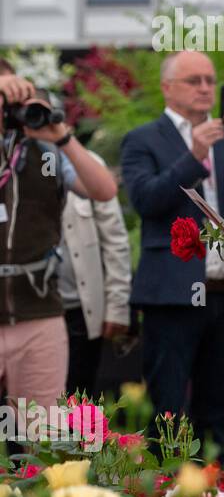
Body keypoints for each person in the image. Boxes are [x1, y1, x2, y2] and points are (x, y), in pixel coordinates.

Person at [121, 50, 224, 453]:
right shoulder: (143, 138)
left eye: (210, 80)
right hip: (172, 295)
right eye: (194, 81)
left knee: (219, 407)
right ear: (167, 87)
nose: (205, 88)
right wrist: (192, 157)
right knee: (169, 410)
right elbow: (146, 201)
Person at [0, 64, 118, 419]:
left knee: (42, 435)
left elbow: (104, 189)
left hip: (40, 312)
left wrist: (61, 136)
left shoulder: (46, 152)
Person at [59, 136, 132, 398]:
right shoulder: (10, 164)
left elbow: (115, 240)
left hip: (80, 310)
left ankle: (80, 440)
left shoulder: (87, 164)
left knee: (78, 400)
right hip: (24, 312)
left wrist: (117, 306)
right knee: (20, 410)